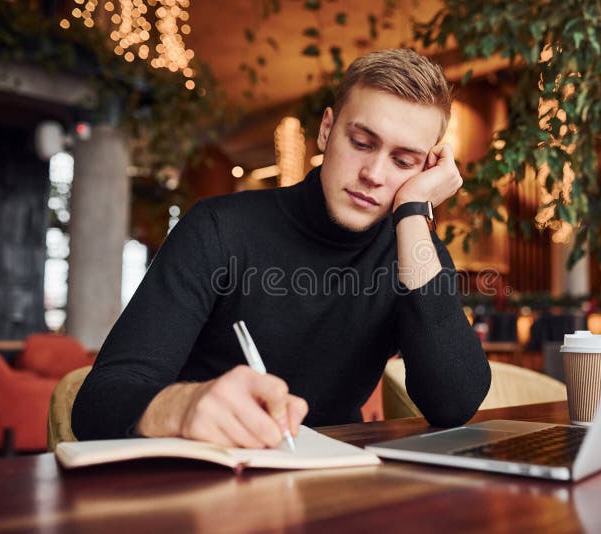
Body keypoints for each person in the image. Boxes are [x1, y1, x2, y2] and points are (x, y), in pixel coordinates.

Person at [72, 48, 491, 449]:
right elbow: (99, 401)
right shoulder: (218, 228)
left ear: (427, 170)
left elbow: (453, 403)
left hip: (336, 484)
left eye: (404, 162)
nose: (374, 174)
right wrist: (183, 407)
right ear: (327, 131)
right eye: (362, 142)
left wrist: (415, 210)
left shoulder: (415, 251)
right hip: (204, 482)